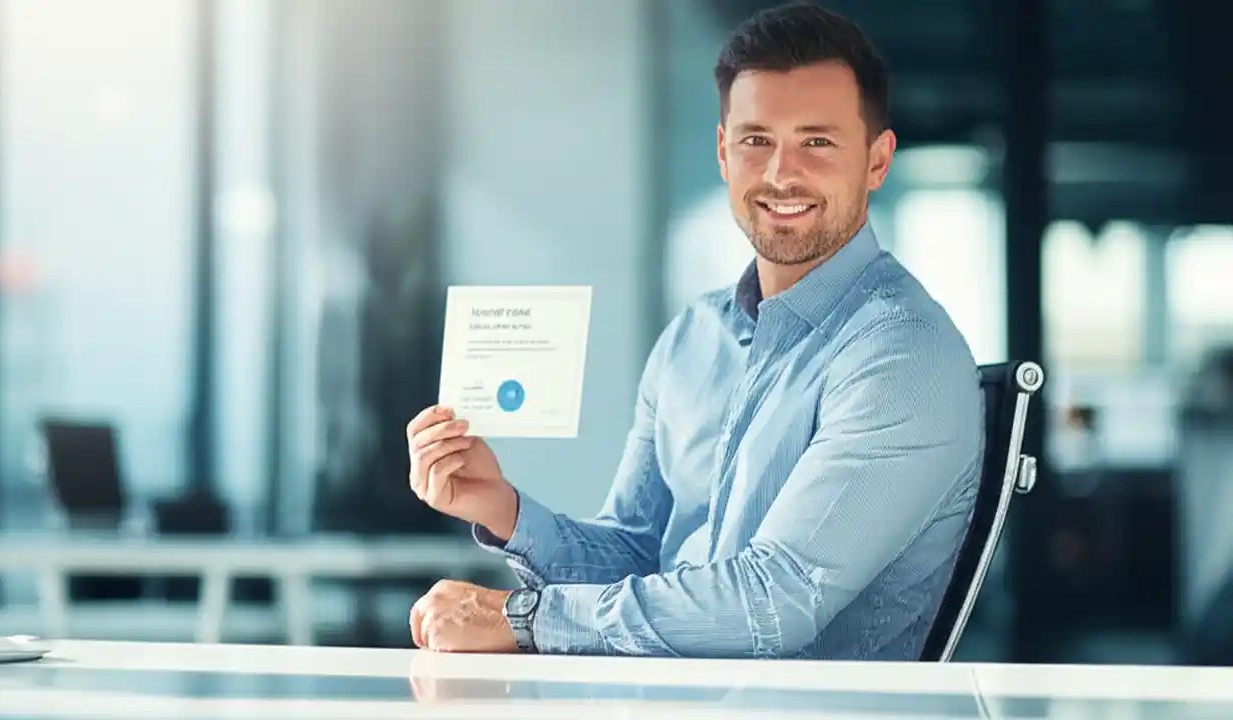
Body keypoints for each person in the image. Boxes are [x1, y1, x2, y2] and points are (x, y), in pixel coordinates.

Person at [405, 1, 983, 660]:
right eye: (756, 140)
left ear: (877, 161)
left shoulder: (903, 353)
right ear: (723, 152)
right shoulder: (693, 338)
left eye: (817, 142)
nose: (780, 174)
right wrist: (503, 509)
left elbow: (772, 602)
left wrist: (525, 617)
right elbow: (635, 558)